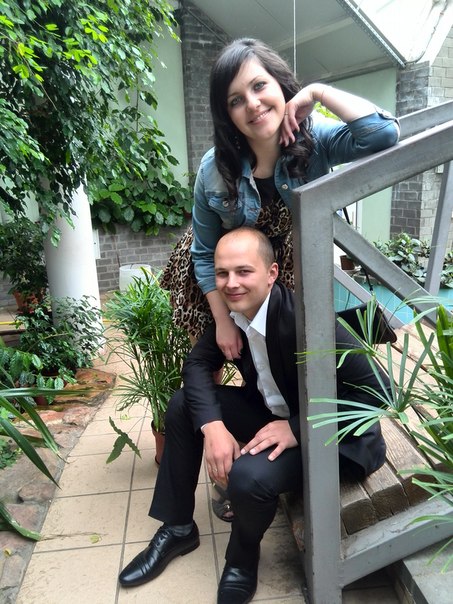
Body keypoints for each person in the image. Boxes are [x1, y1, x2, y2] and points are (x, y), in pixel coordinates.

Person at [119, 227, 390, 604]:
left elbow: (380, 392)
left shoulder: (310, 320)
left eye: (243, 271)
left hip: (335, 437)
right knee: (184, 404)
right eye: (222, 273)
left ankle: (242, 560)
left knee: (247, 476)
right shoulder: (235, 315)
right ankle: (178, 527)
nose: (231, 283)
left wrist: (298, 428)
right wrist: (214, 427)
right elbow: (196, 365)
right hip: (272, 414)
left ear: (271, 273)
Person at [161, 37, 400, 360]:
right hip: (218, 270)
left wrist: (317, 92)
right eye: (236, 100)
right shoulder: (213, 169)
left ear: (281, 84)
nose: (253, 104)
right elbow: (204, 254)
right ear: (227, 114)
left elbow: (383, 134)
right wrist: (223, 321)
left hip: (279, 262)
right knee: (214, 356)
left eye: (259, 85)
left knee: (280, 358)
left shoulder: (315, 139)